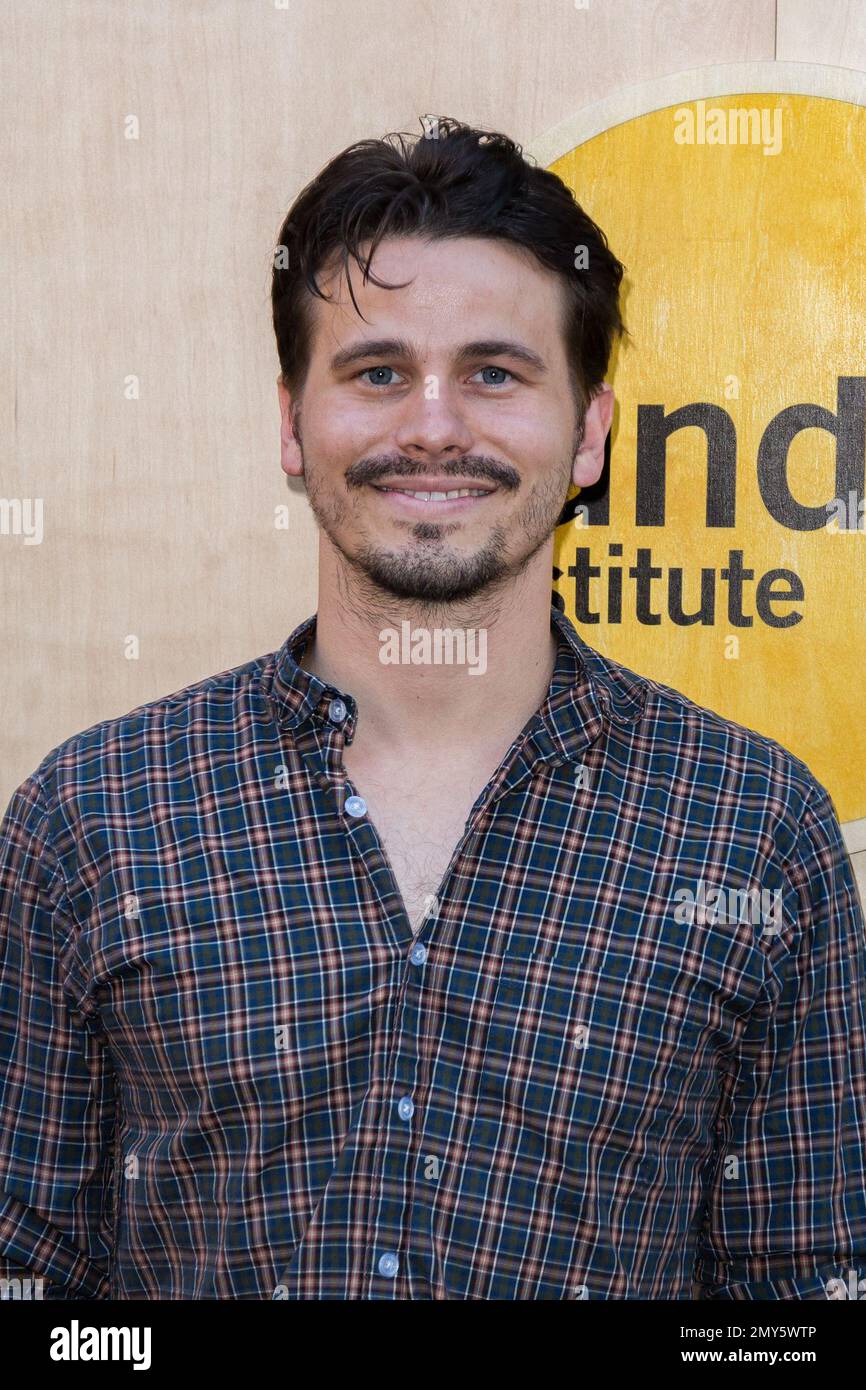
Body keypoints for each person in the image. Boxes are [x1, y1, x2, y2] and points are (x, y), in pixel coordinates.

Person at [1, 117, 864, 1301]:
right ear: (292, 424)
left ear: (588, 437)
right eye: (376, 372)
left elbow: (801, 1300)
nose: (433, 427)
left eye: (494, 373)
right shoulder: (92, 816)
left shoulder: (750, 825)